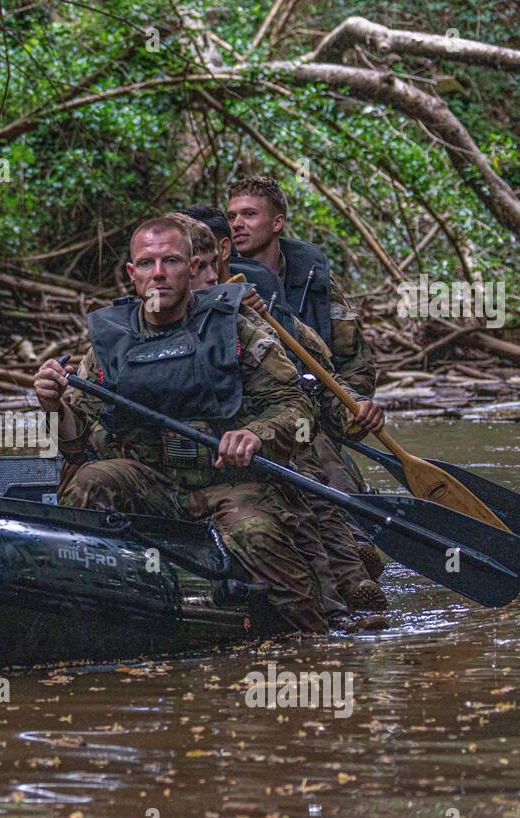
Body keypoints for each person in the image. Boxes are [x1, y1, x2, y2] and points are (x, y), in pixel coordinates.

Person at [33, 216, 327, 635]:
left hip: (227, 482)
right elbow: (75, 441)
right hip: (149, 481)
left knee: (258, 534)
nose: (159, 274)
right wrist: (51, 404)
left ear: (191, 268)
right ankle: (83, 622)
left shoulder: (234, 328)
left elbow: (296, 405)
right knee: (90, 482)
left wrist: (254, 435)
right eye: (147, 263)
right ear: (132, 275)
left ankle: (313, 644)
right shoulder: (108, 344)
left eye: (170, 261)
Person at [183, 206, 388, 613]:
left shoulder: (258, 307)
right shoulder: (146, 318)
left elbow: (317, 379)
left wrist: (356, 407)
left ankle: (348, 580)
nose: (198, 274)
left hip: (280, 436)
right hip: (200, 457)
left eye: (205, 261)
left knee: (311, 483)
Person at [228, 176, 386, 580]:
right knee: (311, 458)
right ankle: (347, 557)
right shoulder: (223, 285)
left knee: (330, 461)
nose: (237, 224)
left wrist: (352, 410)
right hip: (263, 417)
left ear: (277, 223)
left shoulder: (316, 282)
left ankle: (356, 551)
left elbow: (355, 361)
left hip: (320, 412)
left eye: (249, 214)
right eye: (231, 216)